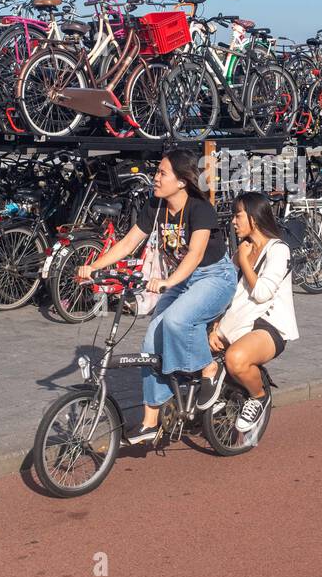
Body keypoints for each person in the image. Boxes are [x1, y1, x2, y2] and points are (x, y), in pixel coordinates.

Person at [78, 149, 237, 445]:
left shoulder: (200, 209)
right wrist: (94, 267)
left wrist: (167, 282)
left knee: (177, 321)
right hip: (178, 280)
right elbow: (128, 242)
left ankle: (208, 368)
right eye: (157, 172)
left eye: (162, 173)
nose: (155, 178)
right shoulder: (156, 206)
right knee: (150, 342)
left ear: (181, 181)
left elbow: (195, 254)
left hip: (213, 277)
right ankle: (151, 421)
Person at [201, 191, 298, 432]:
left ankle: (258, 397)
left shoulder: (278, 250)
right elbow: (226, 291)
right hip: (237, 320)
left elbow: (262, 293)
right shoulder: (241, 250)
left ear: (254, 217)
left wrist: (244, 260)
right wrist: (215, 326)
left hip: (269, 325)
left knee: (236, 358)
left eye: (238, 215)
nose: (233, 221)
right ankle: (223, 393)